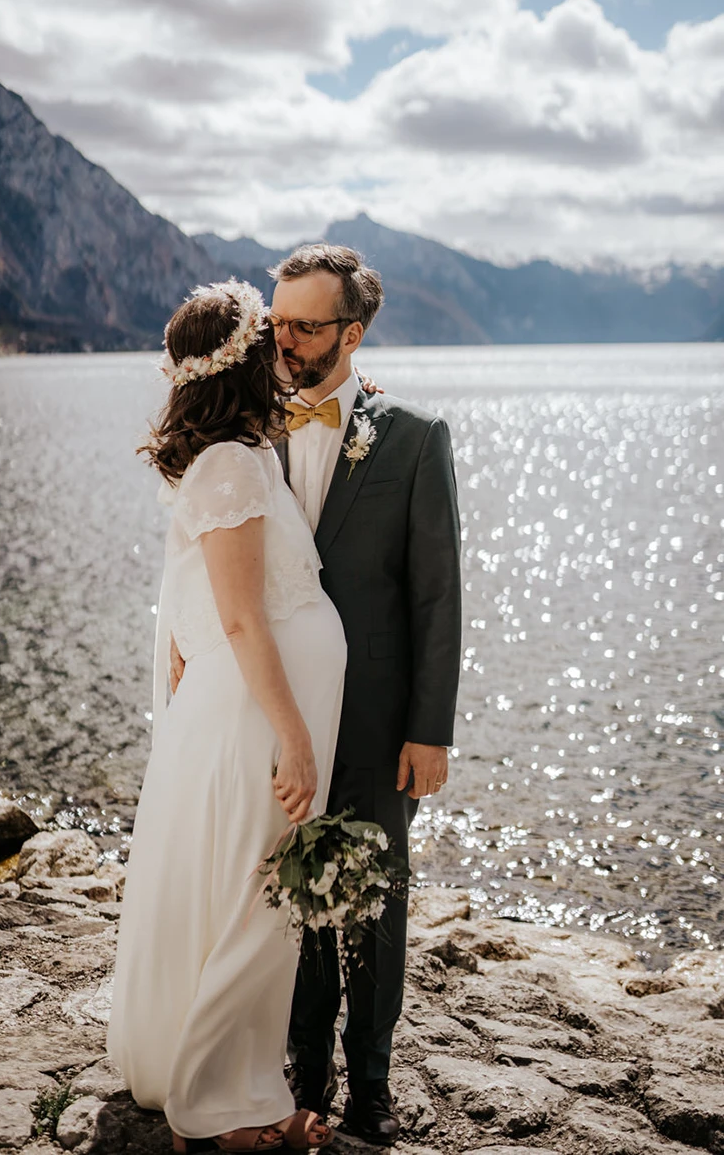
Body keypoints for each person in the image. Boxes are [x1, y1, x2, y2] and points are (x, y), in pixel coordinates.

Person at [106, 279, 347, 1153]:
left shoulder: (231, 455)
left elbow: (190, 582)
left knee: (244, 890)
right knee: (258, 894)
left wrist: (177, 637)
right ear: (244, 362)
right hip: (256, 717)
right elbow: (244, 617)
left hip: (249, 706)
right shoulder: (234, 466)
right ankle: (223, 1108)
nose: (284, 350)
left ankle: (210, 1069)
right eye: (269, 341)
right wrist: (293, 735)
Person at [270, 244, 462, 1145]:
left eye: (305, 325)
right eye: (276, 322)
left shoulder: (414, 439)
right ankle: (298, 1074)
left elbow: (435, 596)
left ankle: (371, 1083)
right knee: (288, 901)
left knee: (374, 905)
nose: (285, 340)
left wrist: (430, 731)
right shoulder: (248, 431)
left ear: (352, 333)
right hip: (273, 724)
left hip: (378, 724)